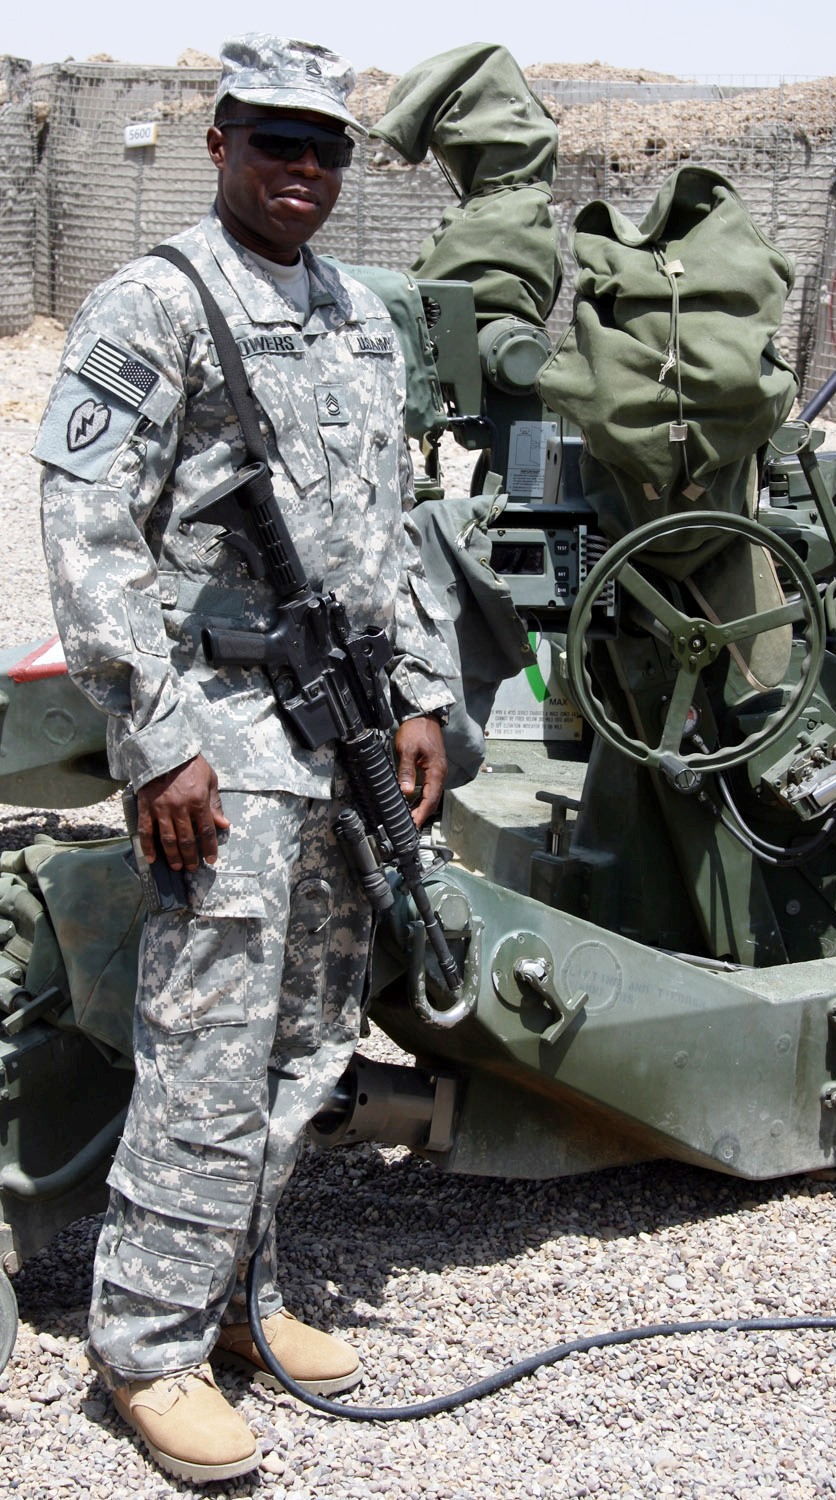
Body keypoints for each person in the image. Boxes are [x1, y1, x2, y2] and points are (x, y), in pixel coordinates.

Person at [33, 33, 454, 1487]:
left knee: (306, 1041)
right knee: (207, 1046)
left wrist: (414, 697)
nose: (302, 170)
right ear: (219, 140)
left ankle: (234, 1299)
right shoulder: (151, 304)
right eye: (276, 140)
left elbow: (389, 526)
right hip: (214, 730)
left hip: (336, 735)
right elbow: (87, 537)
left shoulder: (355, 313)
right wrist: (154, 743)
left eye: (327, 148)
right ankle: (145, 1347)